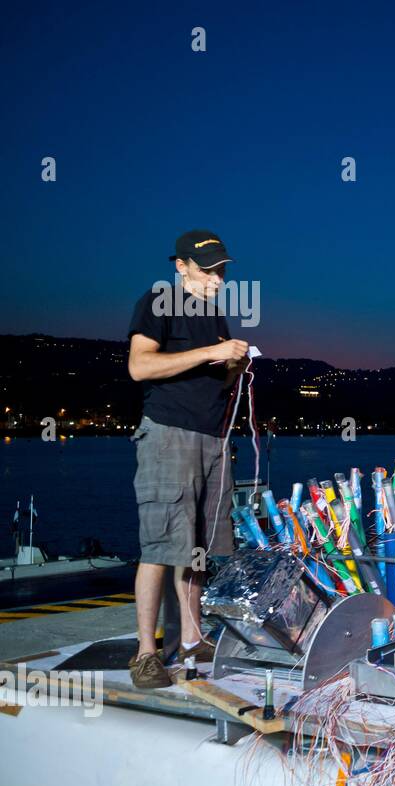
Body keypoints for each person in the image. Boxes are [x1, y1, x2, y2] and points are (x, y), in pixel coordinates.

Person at [125, 230, 248, 688]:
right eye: (208, 269)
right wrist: (215, 351)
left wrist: (235, 364)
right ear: (181, 267)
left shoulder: (214, 316)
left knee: (197, 546)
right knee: (160, 545)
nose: (218, 277)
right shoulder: (159, 302)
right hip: (169, 434)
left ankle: (194, 639)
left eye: (222, 269)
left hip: (212, 439)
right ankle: (146, 654)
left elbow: (215, 377)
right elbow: (140, 366)